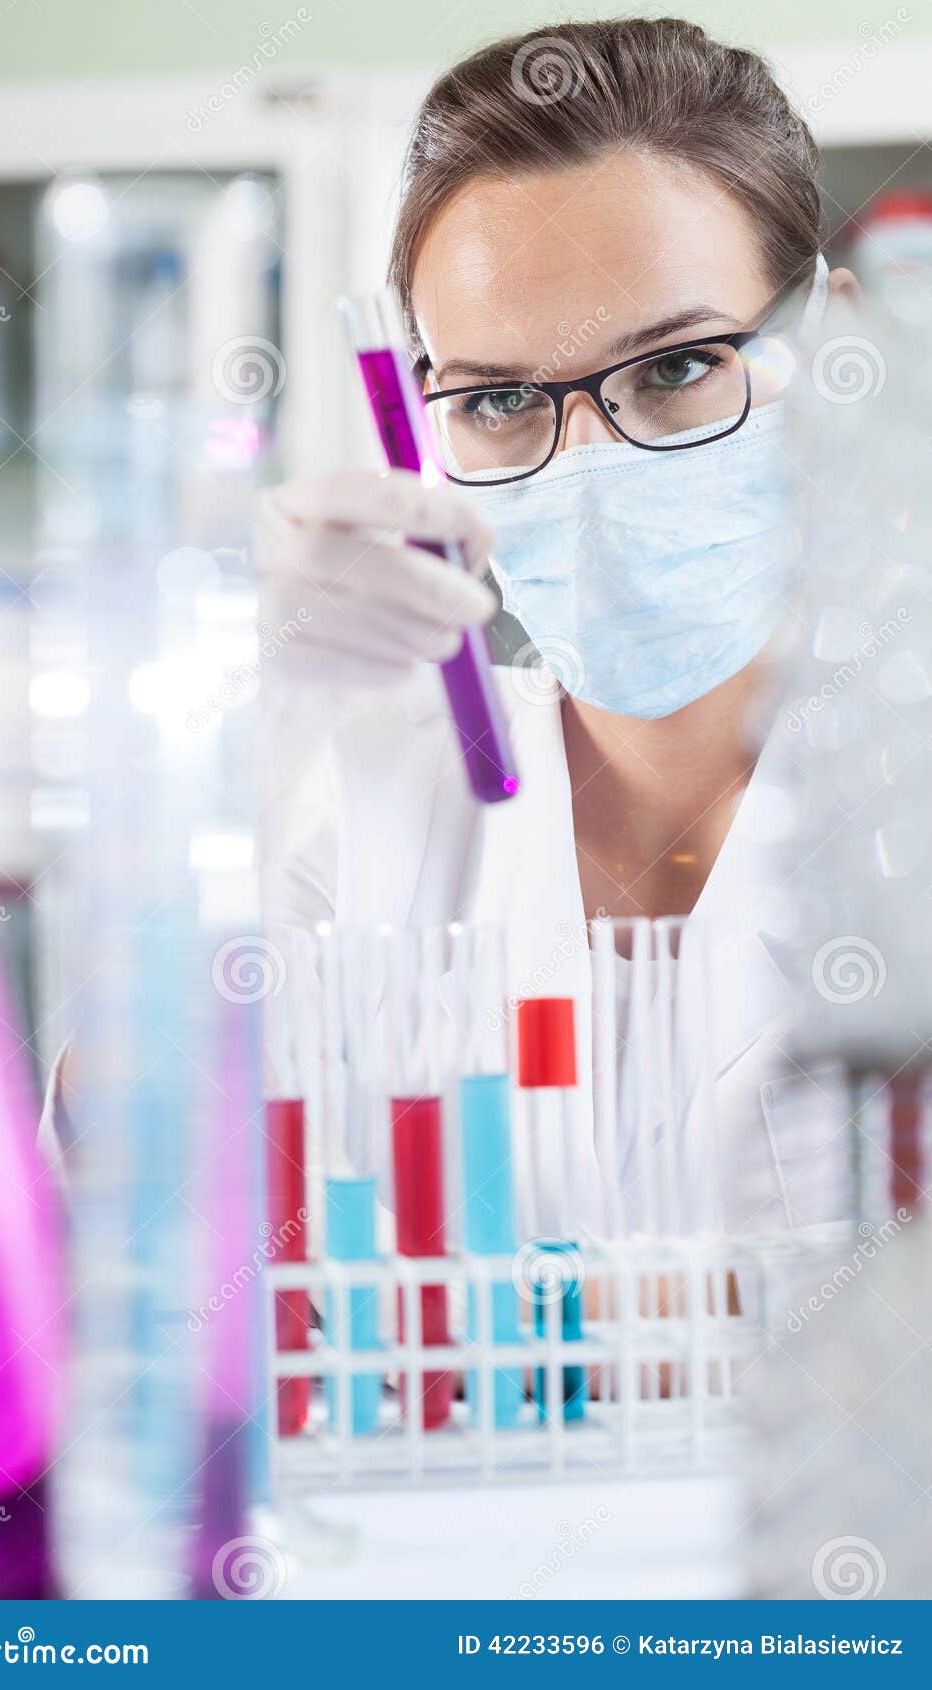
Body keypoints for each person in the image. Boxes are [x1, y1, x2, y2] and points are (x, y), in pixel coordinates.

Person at [257, 18, 859, 1234]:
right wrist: (214, 776)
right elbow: (141, 1213)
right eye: (496, 398)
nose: (586, 465)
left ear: (835, 347)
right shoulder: (367, 790)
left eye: (676, 367)